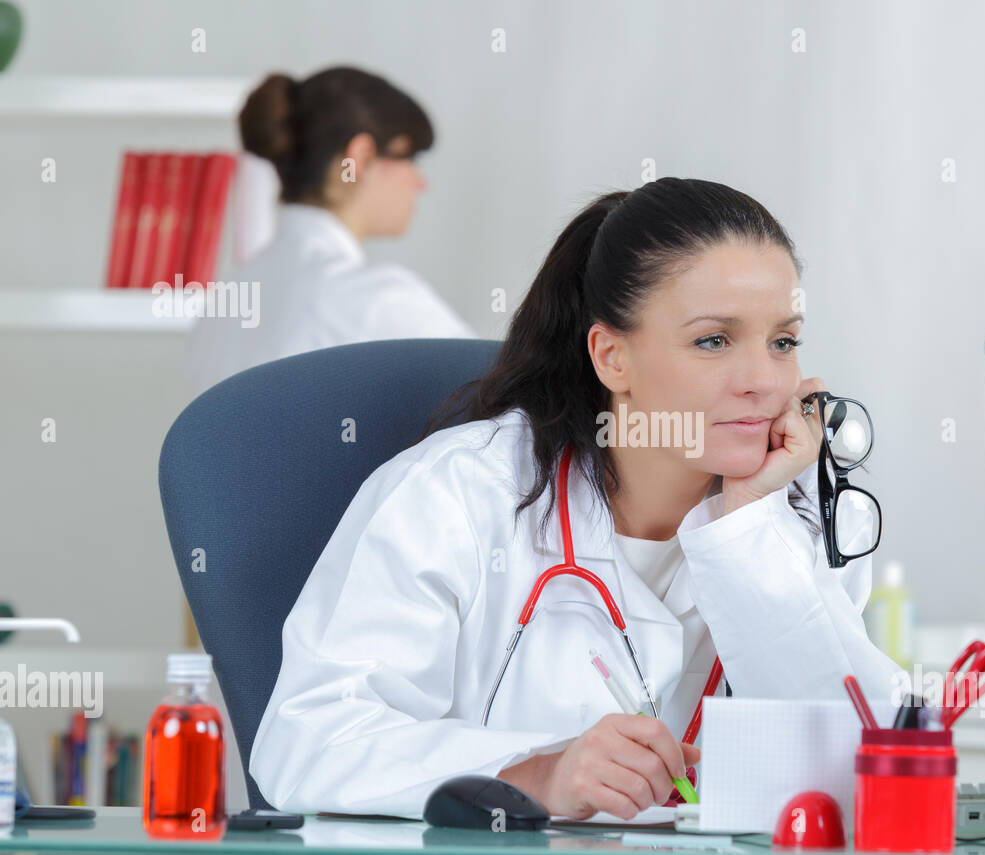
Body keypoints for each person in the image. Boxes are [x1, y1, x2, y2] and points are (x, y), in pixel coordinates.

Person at [249, 177, 907, 821]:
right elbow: (309, 743)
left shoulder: (798, 519)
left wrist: (746, 537)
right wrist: (535, 775)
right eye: (714, 340)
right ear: (611, 357)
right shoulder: (456, 494)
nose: (764, 381)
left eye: (783, 341)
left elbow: (863, 764)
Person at [185, 66, 474, 396]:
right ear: (360, 157)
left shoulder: (225, 301)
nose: (420, 183)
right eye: (409, 157)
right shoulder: (377, 301)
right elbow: (504, 400)